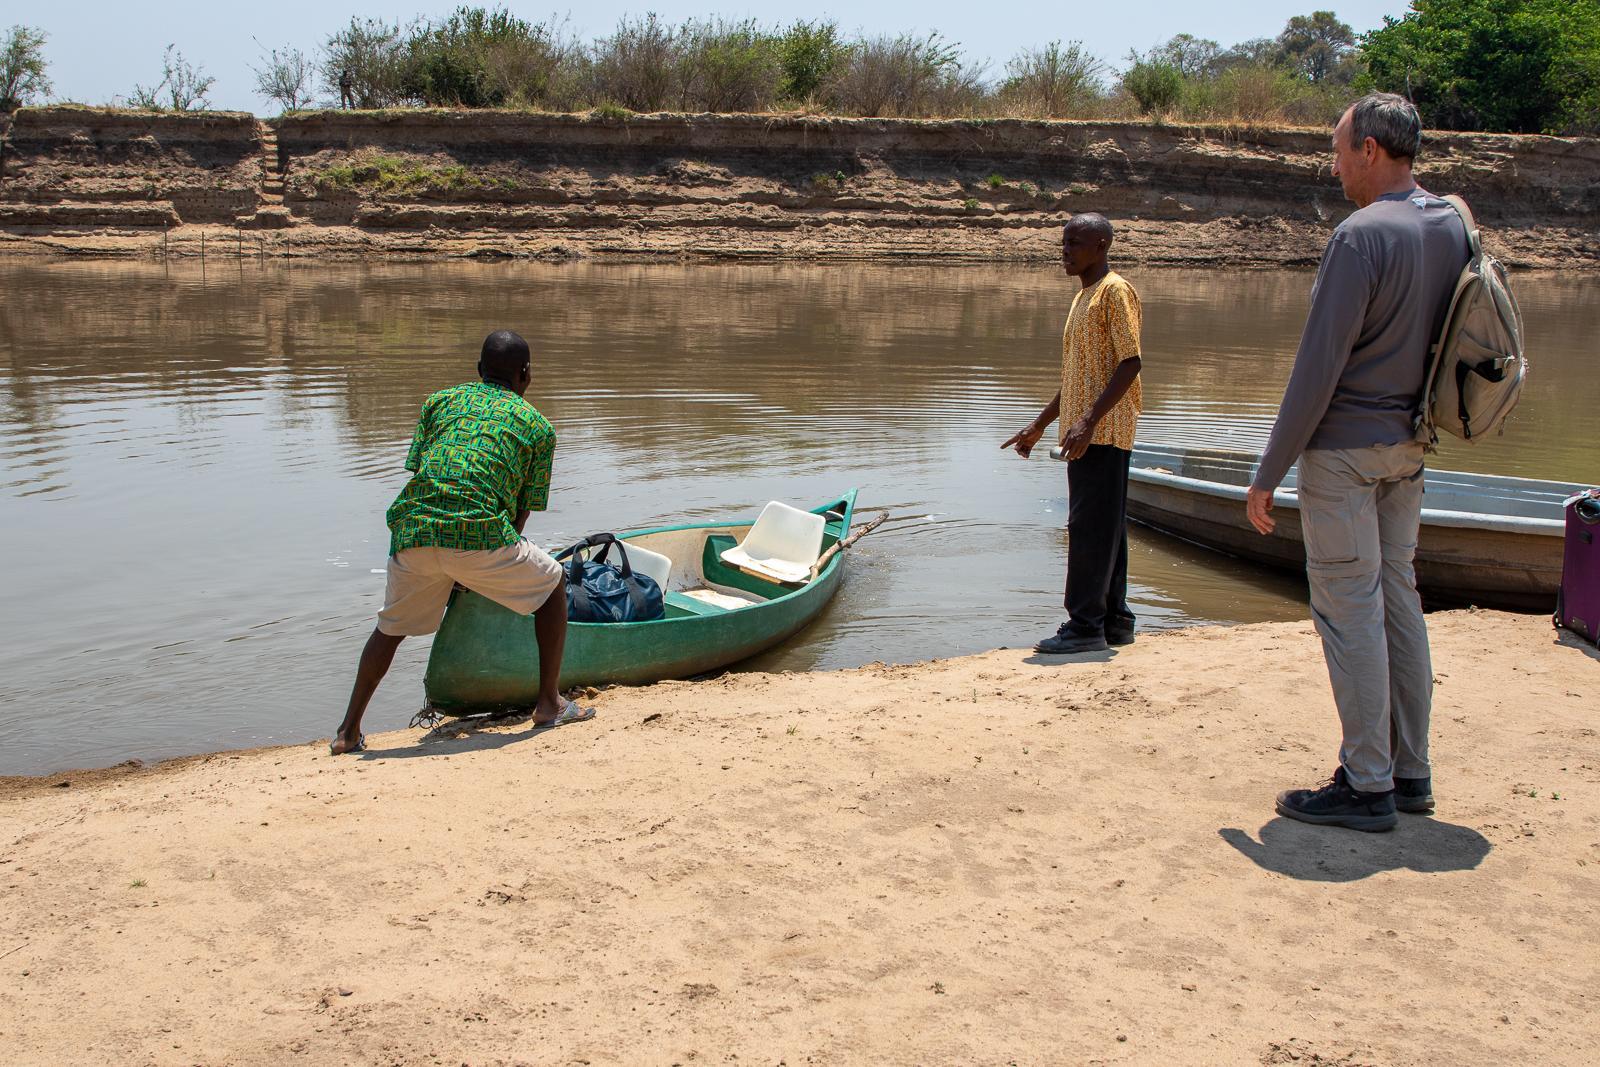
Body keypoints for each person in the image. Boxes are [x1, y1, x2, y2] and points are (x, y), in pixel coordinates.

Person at [1247, 93, 1469, 831]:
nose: (1334, 164)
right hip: (1410, 446)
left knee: (1351, 613)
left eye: (1339, 149)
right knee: (1399, 602)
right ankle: (1411, 774)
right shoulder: (1454, 224)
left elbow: (1317, 369)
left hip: (1344, 454)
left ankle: (1367, 783)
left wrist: (1267, 471)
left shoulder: (1358, 237)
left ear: (1371, 150)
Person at [329, 331, 591, 755]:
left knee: (390, 628)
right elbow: (520, 514)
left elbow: (426, 473)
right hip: (478, 531)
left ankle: (347, 731)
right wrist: (480, 568)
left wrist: (454, 568)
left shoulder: (438, 402)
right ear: (527, 375)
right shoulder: (539, 428)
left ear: (478, 369)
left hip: (413, 529)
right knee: (553, 583)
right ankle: (549, 703)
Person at [1003, 213, 1143, 655]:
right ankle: (1115, 620)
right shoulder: (1083, 297)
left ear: (1101, 246)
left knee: (1088, 528)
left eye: (1074, 244)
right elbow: (1078, 377)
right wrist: (1040, 425)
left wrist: (1088, 422)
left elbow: (1130, 363)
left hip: (1102, 433)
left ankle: (1084, 625)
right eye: (1063, 243)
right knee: (1106, 528)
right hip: (1083, 432)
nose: (1064, 252)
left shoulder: (1114, 292)